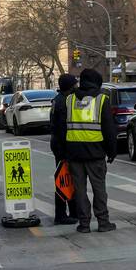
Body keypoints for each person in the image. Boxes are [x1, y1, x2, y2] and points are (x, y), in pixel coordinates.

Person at [52, 68, 117, 234]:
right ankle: (103, 222)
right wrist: (112, 151)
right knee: (99, 189)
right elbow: (109, 129)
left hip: (74, 154)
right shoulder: (102, 100)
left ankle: (84, 224)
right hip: (95, 153)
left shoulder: (70, 100)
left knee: (79, 190)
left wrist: (63, 151)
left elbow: (61, 128)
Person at [48, 74, 80, 226]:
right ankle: (61, 215)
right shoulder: (63, 102)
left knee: (66, 179)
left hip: (58, 144)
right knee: (64, 180)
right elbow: (62, 128)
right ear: (70, 86)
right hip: (62, 146)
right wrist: (66, 151)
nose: (77, 87)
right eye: (75, 84)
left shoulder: (58, 99)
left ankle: (72, 212)